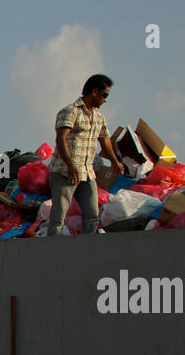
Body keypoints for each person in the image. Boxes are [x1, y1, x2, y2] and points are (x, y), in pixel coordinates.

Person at [45, 74, 125, 236]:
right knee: (59, 216)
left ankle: (89, 248)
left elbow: (105, 141)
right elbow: (61, 139)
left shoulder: (99, 117)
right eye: (105, 95)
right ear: (94, 91)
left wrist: (115, 161)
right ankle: (51, 249)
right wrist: (70, 165)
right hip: (65, 172)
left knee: (92, 215)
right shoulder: (70, 111)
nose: (105, 100)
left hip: (87, 173)